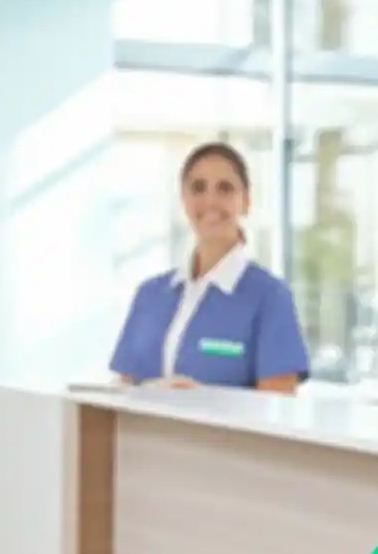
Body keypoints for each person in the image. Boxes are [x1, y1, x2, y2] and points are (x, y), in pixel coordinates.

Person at [110, 142, 310, 393]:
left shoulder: (270, 297)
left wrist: (204, 401)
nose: (210, 200)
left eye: (225, 189)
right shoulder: (149, 295)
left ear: (246, 202)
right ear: (184, 200)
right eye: (198, 188)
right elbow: (122, 389)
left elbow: (278, 408)